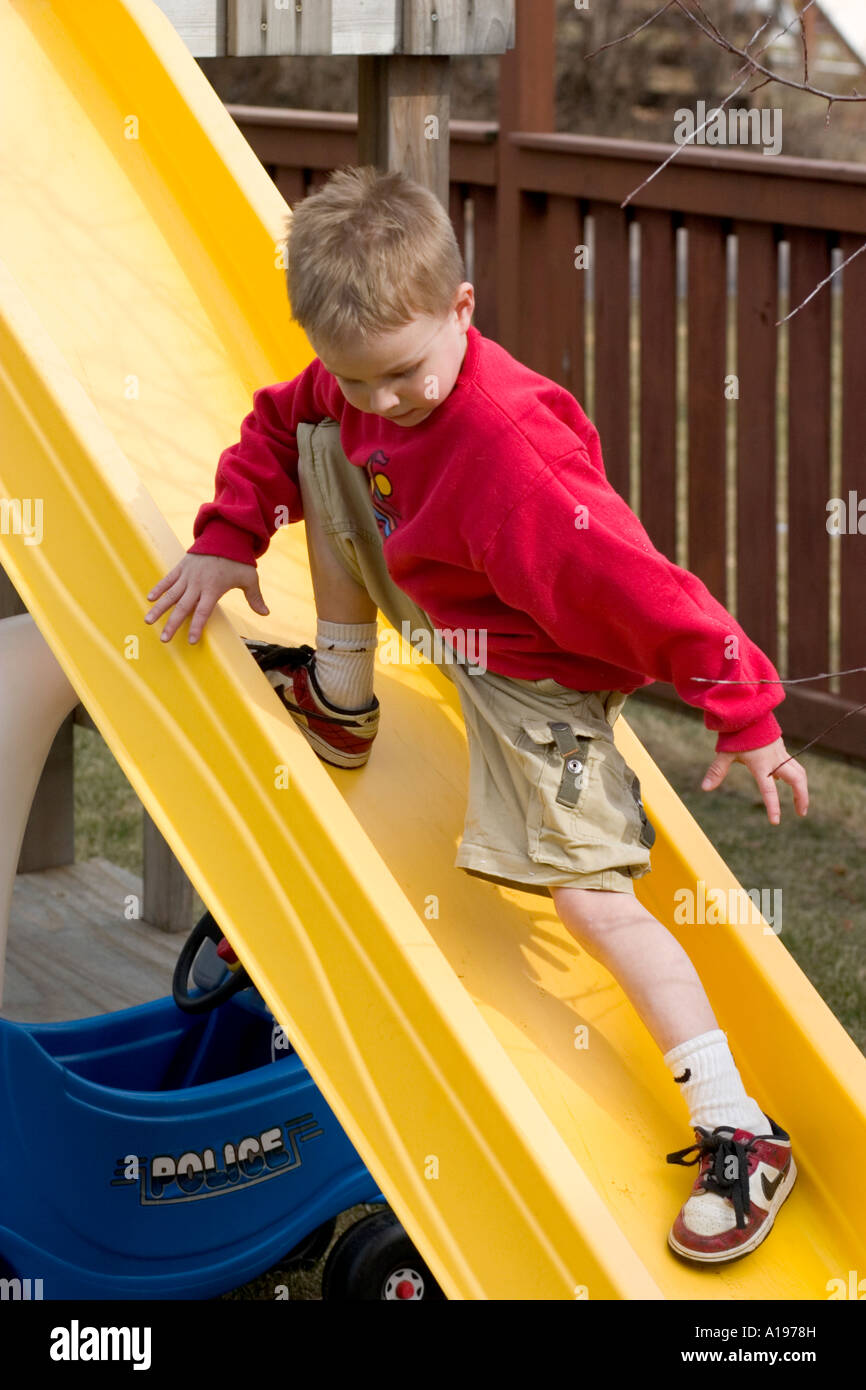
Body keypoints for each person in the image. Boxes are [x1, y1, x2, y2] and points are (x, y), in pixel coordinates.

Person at [144, 164, 808, 1264]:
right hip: (438, 598)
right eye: (355, 376)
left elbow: (644, 587)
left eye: (400, 375)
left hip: (532, 674)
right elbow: (281, 420)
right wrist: (226, 537)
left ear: (462, 311)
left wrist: (742, 704)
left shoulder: (515, 454)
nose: (379, 399)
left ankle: (736, 1125)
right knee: (313, 442)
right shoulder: (357, 383)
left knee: (591, 902)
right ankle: (342, 697)